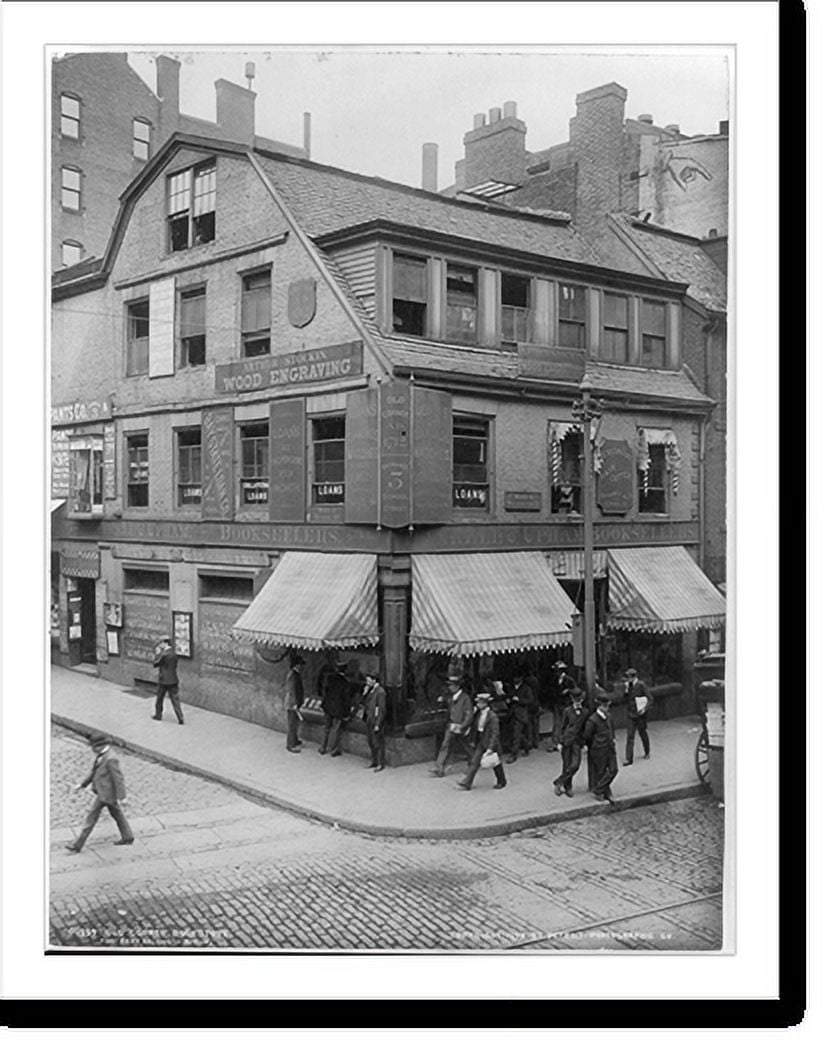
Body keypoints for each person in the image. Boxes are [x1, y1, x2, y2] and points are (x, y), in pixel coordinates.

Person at [66, 732, 134, 852]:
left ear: (100, 746)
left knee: (91, 819)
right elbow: (94, 772)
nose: (92, 750)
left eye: (94, 747)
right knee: (117, 815)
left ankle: (77, 845)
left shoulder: (111, 759)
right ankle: (128, 836)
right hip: (103, 793)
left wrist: (122, 797)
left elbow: (118, 779)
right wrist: (82, 785)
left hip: (106, 794)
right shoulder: (102, 756)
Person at [456, 693, 507, 791]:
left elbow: (495, 734)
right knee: (474, 761)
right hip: (481, 740)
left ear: (485, 704)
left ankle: (501, 781)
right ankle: (467, 783)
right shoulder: (478, 713)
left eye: (479, 703)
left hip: (490, 742)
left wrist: (491, 748)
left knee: (495, 763)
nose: (478, 704)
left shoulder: (492, 717)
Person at [430, 673, 473, 777]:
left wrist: (463, 726)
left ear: (457, 686)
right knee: (445, 745)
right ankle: (439, 768)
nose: (449, 687)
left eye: (451, 685)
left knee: (467, 747)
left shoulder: (465, 698)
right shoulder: (451, 697)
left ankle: (473, 765)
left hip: (461, 726)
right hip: (452, 725)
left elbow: (469, 714)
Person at [553, 687, 591, 798]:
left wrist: (584, 744)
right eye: (575, 699)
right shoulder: (567, 711)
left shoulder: (585, 712)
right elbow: (562, 726)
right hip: (566, 741)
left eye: (579, 699)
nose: (577, 701)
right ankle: (568, 787)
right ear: (571, 699)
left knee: (575, 765)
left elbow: (585, 729)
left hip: (577, 742)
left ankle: (559, 781)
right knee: (566, 765)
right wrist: (560, 742)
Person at [583, 695, 618, 802]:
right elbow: (587, 735)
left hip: (609, 747)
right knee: (601, 771)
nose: (607, 708)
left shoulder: (609, 716)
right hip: (598, 749)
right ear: (600, 706)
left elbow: (612, 729)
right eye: (605, 706)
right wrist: (592, 745)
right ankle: (606, 792)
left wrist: (613, 738)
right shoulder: (592, 720)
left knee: (613, 769)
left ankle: (598, 790)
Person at [320, 660, 352, 756]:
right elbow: (346, 699)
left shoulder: (330, 679)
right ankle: (333, 749)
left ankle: (323, 747)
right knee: (336, 729)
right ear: (345, 671)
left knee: (326, 728)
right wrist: (347, 713)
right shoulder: (346, 683)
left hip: (327, 707)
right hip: (338, 709)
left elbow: (324, 691)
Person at [622, 667, 652, 765]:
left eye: (628, 677)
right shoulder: (628, 686)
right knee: (630, 736)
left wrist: (644, 709)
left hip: (640, 714)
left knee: (642, 733)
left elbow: (650, 698)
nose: (627, 679)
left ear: (633, 677)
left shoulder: (641, 685)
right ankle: (628, 759)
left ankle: (647, 751)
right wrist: (626, 691)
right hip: (631, 714)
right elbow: (624, 699)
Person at [152, 637, 184, 724]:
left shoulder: (164, 654)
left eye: (161, 643)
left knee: (159, 698)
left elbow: (156, 663)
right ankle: (180, 717)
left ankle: (158, 715)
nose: (160, 645)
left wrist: (157, 654)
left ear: (165, 643)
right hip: (173, 679)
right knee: (175, 699)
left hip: (164, 680)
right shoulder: (174, 653)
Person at [547, 660, 576, 752]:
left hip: (566, 705)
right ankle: (556, 742)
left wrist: (568, 691)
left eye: (557, 670)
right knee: (557, 724)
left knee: (567, 724)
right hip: (558, 704)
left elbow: (576, 691)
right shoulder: (554, 680)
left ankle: (567, 742)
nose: (556, 672)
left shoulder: (569, 680)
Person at [505, 671, 533, 763]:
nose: (515, 680)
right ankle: (527, 745)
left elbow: (530, 700)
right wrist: (509, 700)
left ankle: (513, 755)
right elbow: (508, 696)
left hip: (521, 713)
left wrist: (519, 700)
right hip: (512, 713)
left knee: (516, 734)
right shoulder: (511, 687)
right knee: (516, 733)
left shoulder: (526, 688)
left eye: (517, 678)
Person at [363, 670, 387, 772]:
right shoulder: (370, 690)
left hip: (375, 720)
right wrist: (365, 693)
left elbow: (381, 709)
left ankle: (380, 763)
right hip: (369, 718)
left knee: (378, 743)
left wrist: (378, 723)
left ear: (374, 680)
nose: (367, 683)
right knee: (370, 741)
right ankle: (374, 761)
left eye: (369, 681)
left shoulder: (380, 692)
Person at [284, 654, 305, 753]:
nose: (302, 667)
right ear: (297, 665)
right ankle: (290, 745)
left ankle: (294, 740)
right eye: (300, 665)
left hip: (294, 702)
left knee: (295, 723)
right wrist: (294, 703)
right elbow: (291, 690)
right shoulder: (293, 675)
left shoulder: (294, 674)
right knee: (292, 724)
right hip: (292, 704)